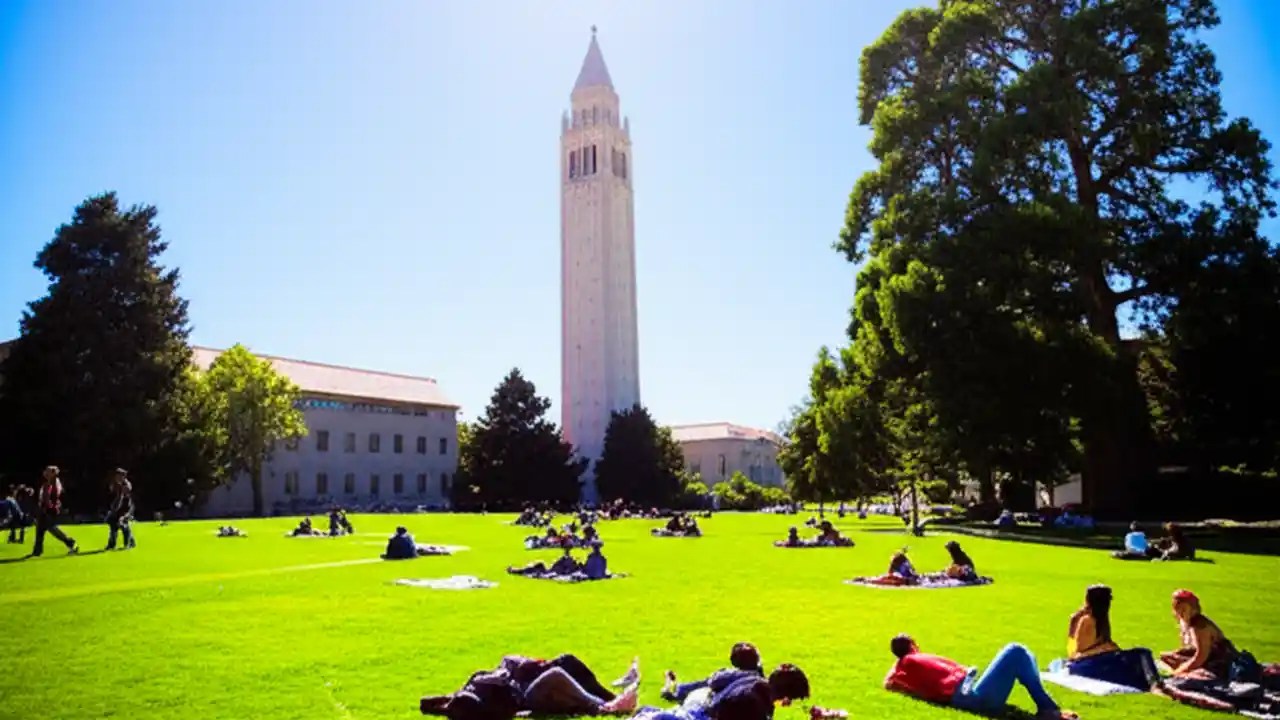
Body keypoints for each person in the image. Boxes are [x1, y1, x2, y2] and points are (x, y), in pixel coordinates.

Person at [884, 634, 1077, 720]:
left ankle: (1048, 708)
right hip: (970, 697)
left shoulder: (910, 663)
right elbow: (889, 681)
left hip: (968, 689)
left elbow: (891, 680)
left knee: (1022, 653)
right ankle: (1048, 709)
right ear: (913, 644)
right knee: (1016, 651)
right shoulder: (909, 661)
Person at [419, 654, 639, 718]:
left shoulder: (464, 695)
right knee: (556, 675)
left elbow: (427, 704)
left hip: (523, 681)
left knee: (566, 660)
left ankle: (610, 698)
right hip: (528, 696)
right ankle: (604, 707)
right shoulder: (485, 708)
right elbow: (516, 707)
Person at [1160, 589, 1239, 678]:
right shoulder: (1184, 622)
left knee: (1195, 674)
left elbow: (1201, 656)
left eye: (1184, 609)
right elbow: (1189, 648)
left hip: (1220, 660)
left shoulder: (1200, 627)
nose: (1180, 613)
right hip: (1206, 657)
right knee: (1166, 657)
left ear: (1193, 609)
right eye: (1177, 609)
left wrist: (1179, 671)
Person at [662, 643, 764, 703]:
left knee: (705, 685)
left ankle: (675, 690)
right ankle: (677, 688)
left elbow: (712, 682)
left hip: (714, 706)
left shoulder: (729, 676)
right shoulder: (761, 680)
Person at [32, 466, 78, 557]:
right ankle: (37, 550)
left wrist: (47, 507)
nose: (45, 473)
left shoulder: (53, 484)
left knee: (52, 529)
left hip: (48, 510)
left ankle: (71, 542)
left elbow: (51, 497)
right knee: (40, 530)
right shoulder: (50, 483)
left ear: (53, 473)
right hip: (46, 509)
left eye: (48, 471)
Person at [1067, 585, 1120, 660]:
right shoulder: (1087, 621)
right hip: (1083, 662)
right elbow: (1077, 654)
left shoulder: (1102, 619)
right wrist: (1102, 649)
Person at [104, 468, 136, 550]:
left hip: (126, 508)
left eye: (119, 476)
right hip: (118, 508)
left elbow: (122, 499)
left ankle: (128, 543)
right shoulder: (116, 484)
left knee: (122, 524)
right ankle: (112, 544)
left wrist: (114, 510)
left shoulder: (126, 485)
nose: (117, 477)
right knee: (113, 526)